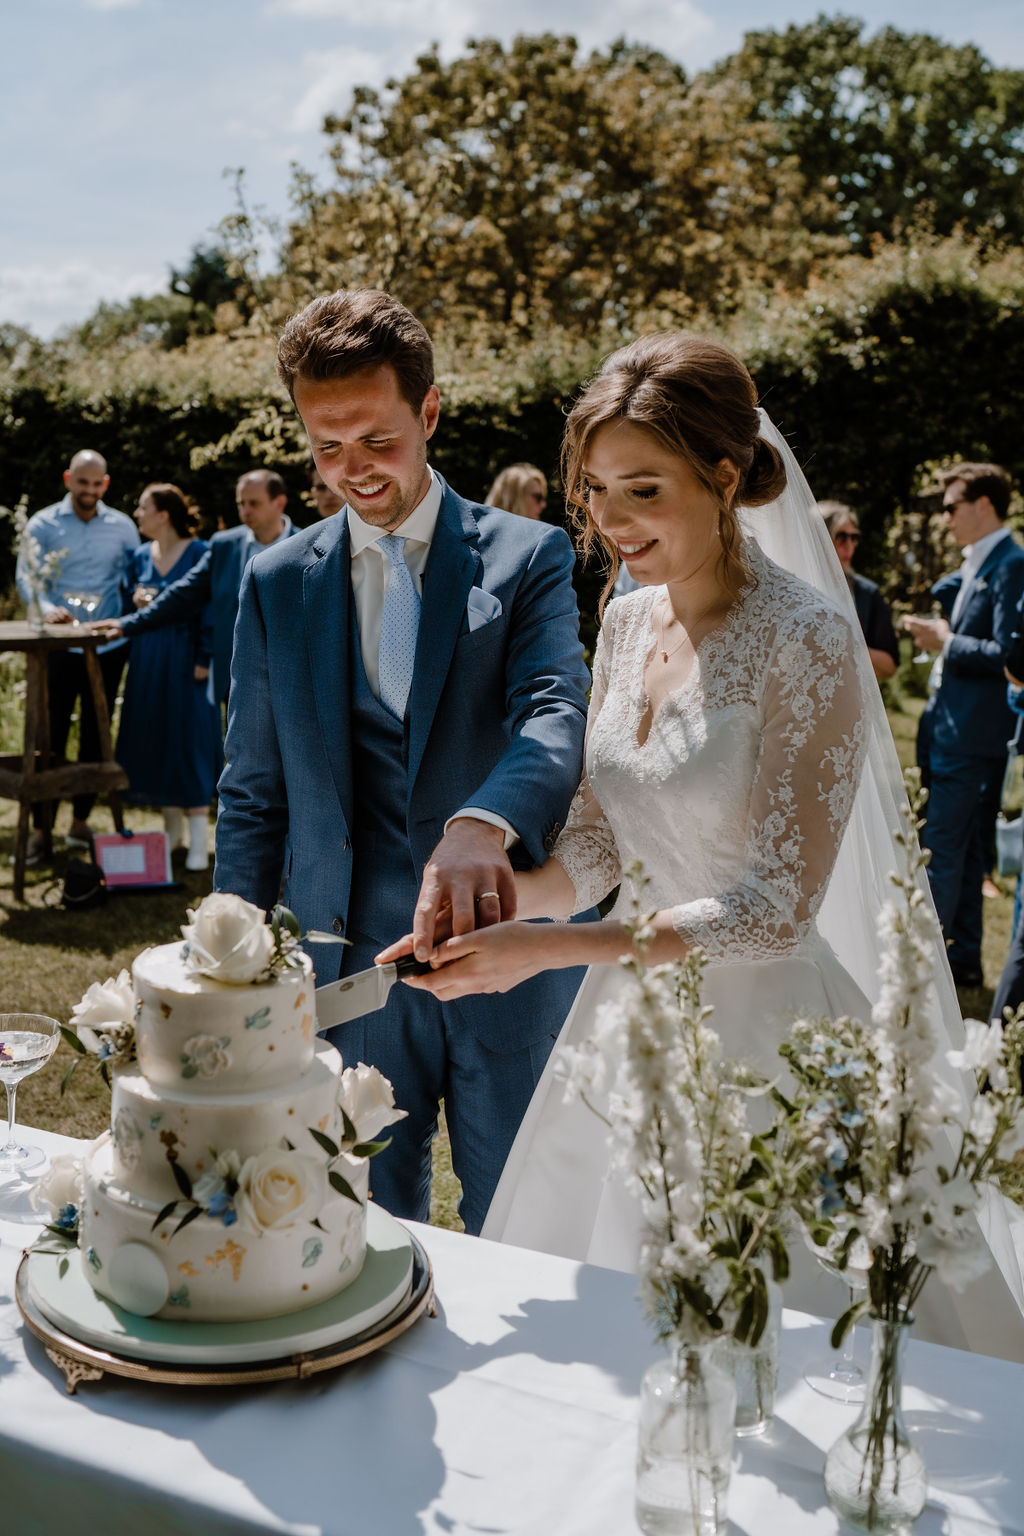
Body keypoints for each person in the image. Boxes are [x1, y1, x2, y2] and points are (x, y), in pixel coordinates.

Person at [386, 334, 1024, 1359]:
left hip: (772, 1044)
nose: (610, 521)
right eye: (594, 491)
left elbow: (774, 909)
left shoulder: (804, 637)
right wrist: (501, 911)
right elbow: (596, 843)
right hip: (630, 1019)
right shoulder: (625, 619)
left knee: (782, 1348)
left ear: (723, 477)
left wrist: (544, 953)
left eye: (644, 489)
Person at [213, 288, 592, 1235]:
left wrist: (484, 820)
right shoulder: (274, 582)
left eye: (376, 441)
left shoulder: (529, 554)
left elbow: (555, 709)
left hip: (508, 956)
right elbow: (254, 792)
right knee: (357, 1229)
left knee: (527, 1223)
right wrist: (232, 961)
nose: (353, 471)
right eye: (326, 447)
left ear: (428, 411)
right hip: (343, 971)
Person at [905, 464, 1024, 989]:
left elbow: (1008, 654)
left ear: (984, 504)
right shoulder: (983, 561)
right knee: (970, 849)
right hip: (953, 725)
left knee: (945, 846)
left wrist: (945, 642)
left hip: (972, 732)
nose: (945, 517)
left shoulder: (1011, 563)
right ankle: (965, 962)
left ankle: (925, 972)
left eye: (951, 506)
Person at [15, 449, 139, 861]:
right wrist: (48, 608)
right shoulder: (43, 523)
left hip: (106, 645)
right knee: (47, 732)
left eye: (96, 483)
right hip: (54, 644)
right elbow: (27, 576)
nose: (88, 490)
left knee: (96, 733)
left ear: (105, 483)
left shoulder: (122, 527)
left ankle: (81, 822)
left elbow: (135, 578)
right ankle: (40, 828)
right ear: (69, 479)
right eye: (81, 482)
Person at [93, 470, 294, 706]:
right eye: (241, 503)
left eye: (254, 504)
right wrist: (126, 624)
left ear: (279, 502)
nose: (245, 511)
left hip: (291, 676)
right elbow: (183, 593)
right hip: (236, 678)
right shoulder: (224, 545)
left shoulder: (307, 546)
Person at [114, 484, 223, 870]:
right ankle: (170, 836)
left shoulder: (201, 551)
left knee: (188, 740)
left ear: (163, 513)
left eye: (143, 507)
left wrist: (206, 656)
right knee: (156, 738)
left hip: (186, 656)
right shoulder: (140, 555)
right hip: (148, 658)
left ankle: (198, 842)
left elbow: (210, 605)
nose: (137, 513)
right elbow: (131, 601)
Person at [818, 499, 898, 681]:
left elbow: (890, 666)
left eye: (854, 538)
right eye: (841, 537)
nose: (850, 546)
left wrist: (848, 645)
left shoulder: (867, 593)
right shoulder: (791, 591)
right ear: (819, 539)